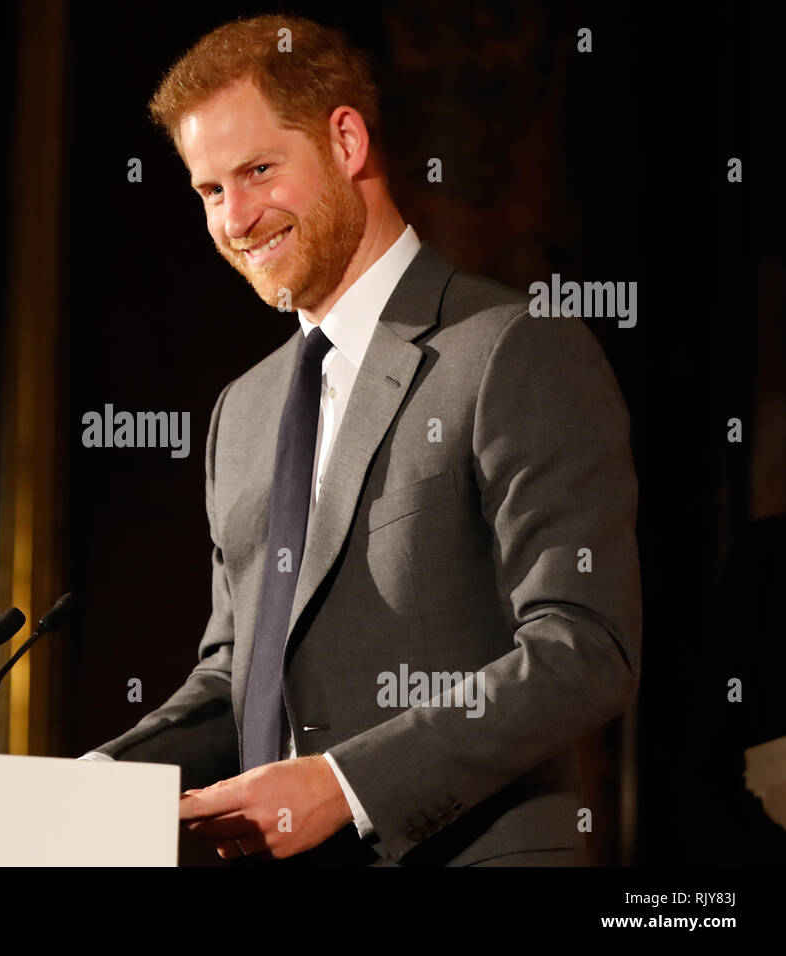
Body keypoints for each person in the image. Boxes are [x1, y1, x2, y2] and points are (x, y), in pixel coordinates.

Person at [80, 14, 641, 867]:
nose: (236, 220)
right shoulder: (244, 410)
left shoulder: (511, 348)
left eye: (258, 171)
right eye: (209, 192)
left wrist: (345, 784)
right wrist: (93, 786)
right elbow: (237, 678)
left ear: (345, 140)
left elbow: (585, 648)